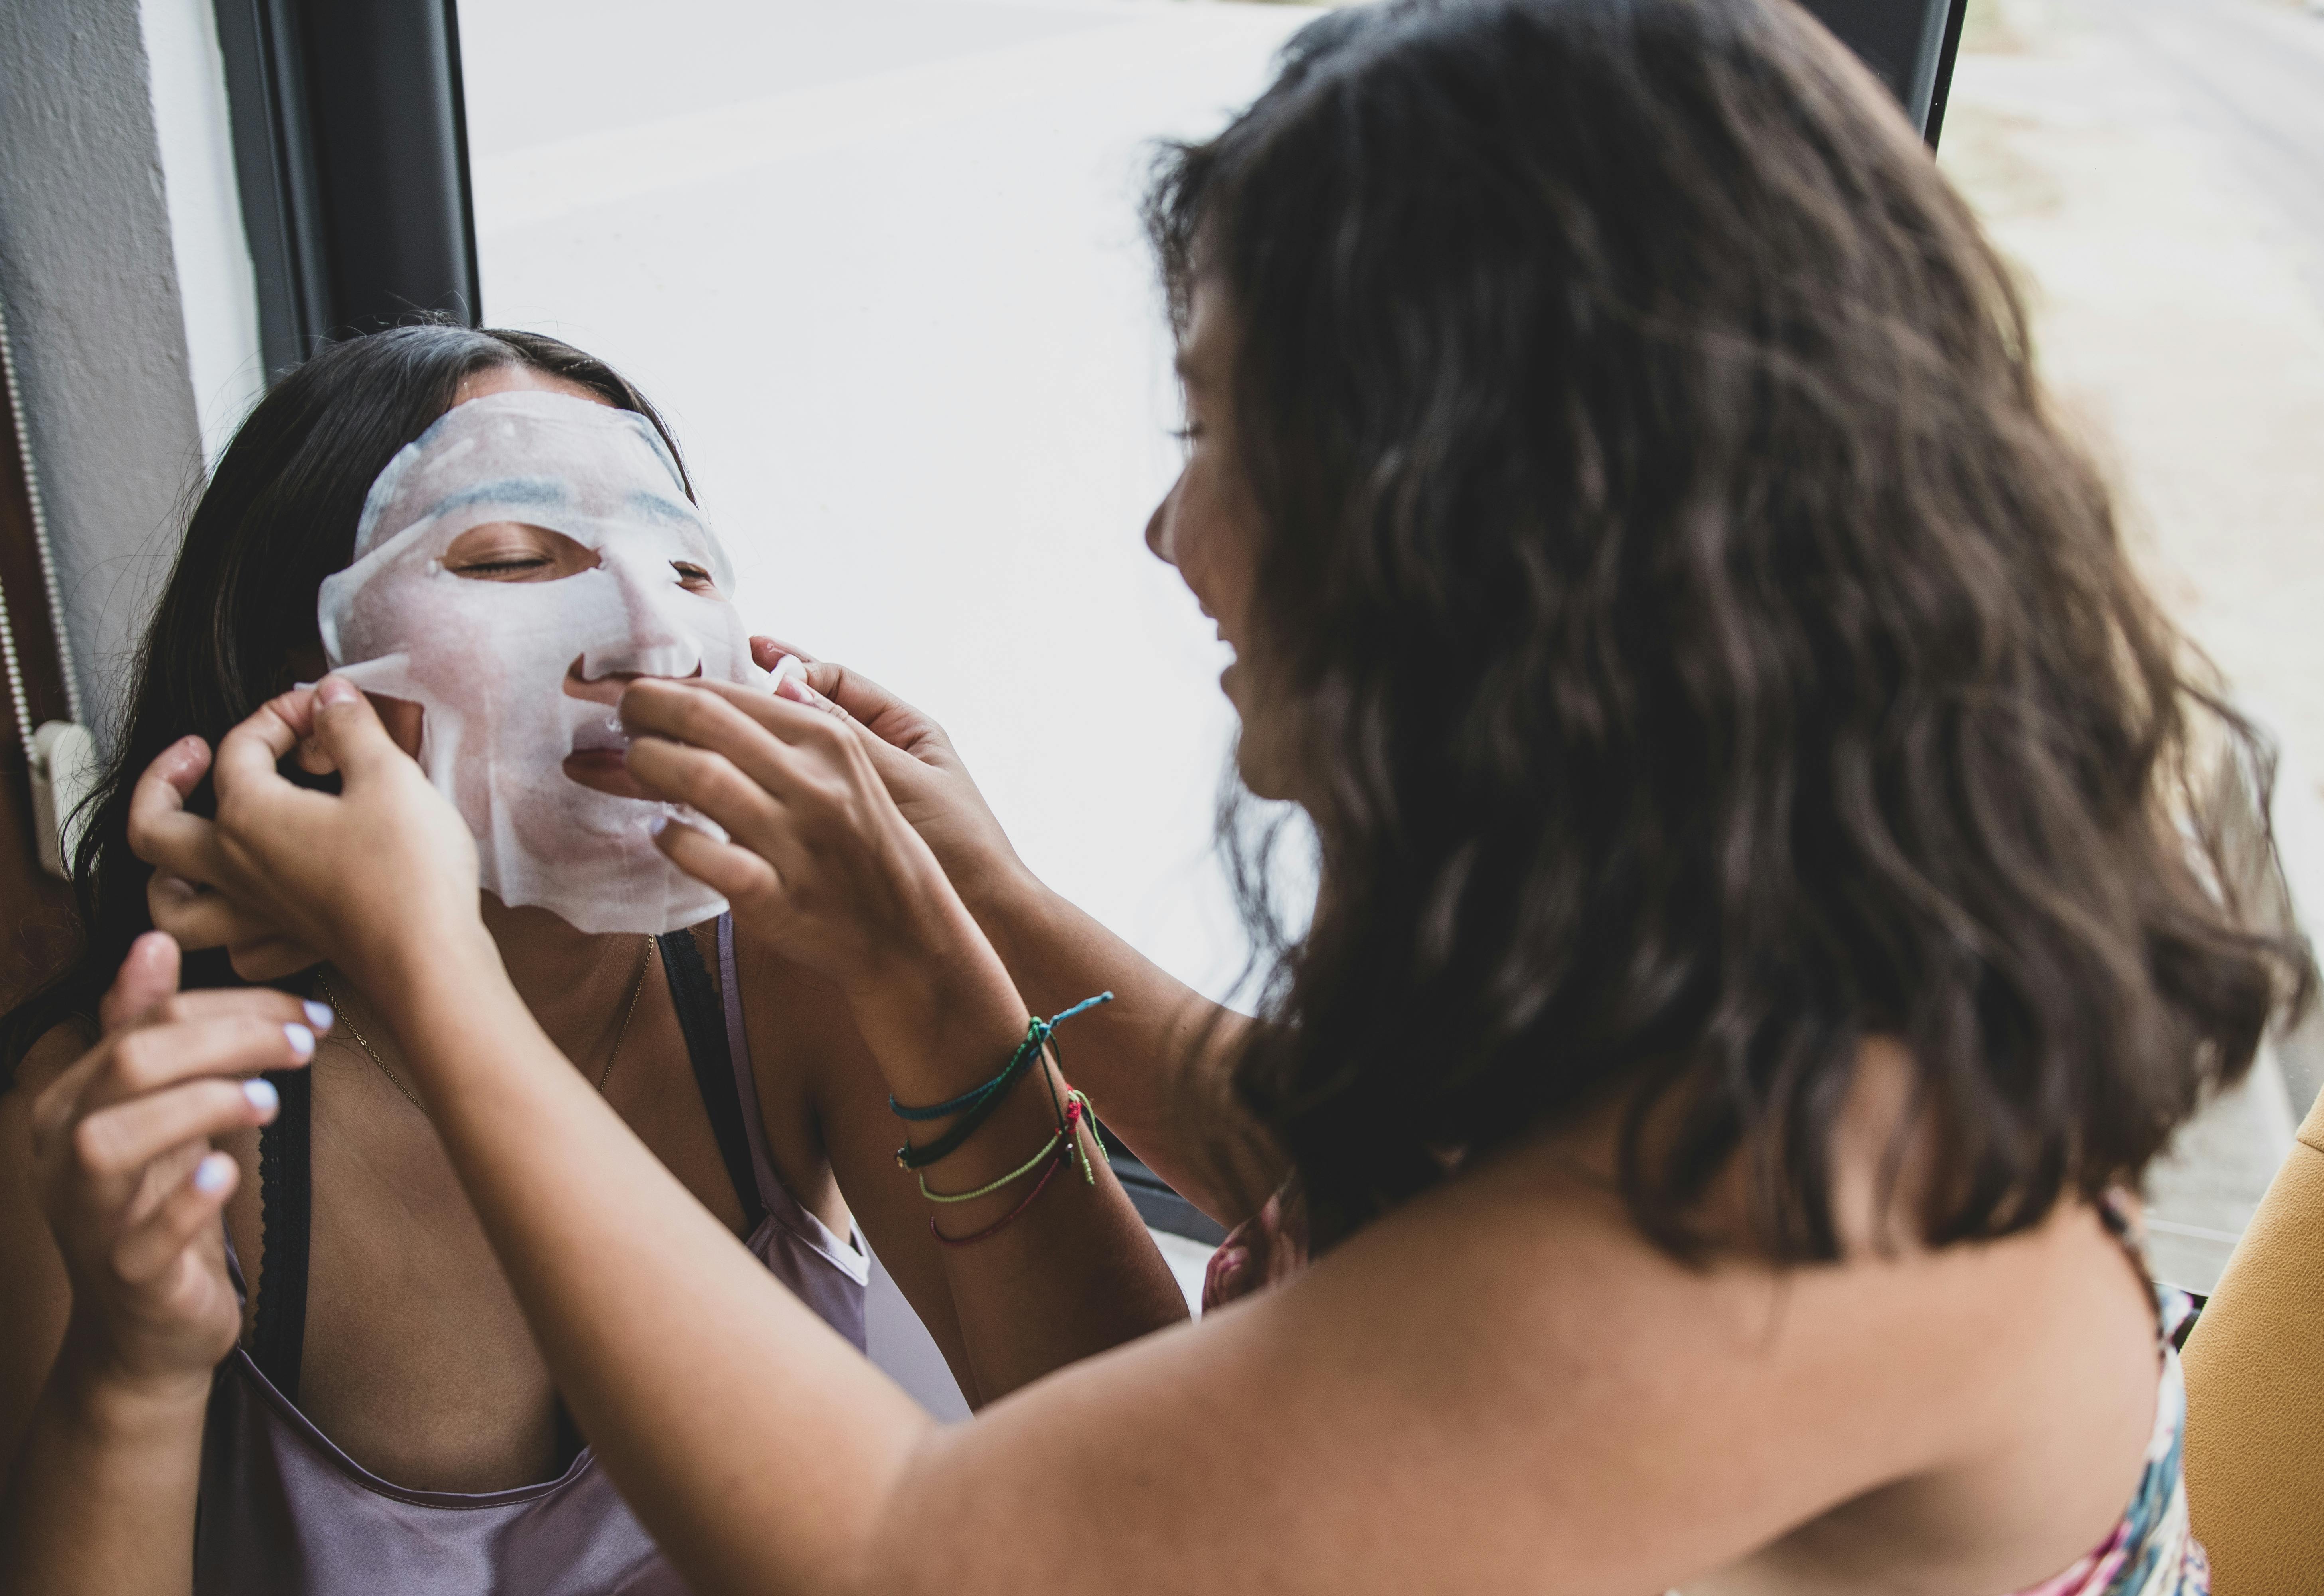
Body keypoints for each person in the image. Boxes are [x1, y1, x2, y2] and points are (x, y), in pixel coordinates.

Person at [45, 0, 2322, 1588]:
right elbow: (1311, 1153)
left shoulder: (1809, 1199)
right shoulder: (1715, 968)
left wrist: (439, 975)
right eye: (522, 563)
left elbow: (921, 1559)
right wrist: (975, 911)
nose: (1166, 540)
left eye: (1215, 438)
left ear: (1480, 527)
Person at [0, 325, 1188, 1596]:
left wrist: (949, 936)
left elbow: (1157, 1504)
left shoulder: (791, 979)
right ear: (313, 667)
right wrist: (129, 1374)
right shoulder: (149, 1109)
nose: (645, 634)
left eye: (689, 570)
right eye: (510, 560)